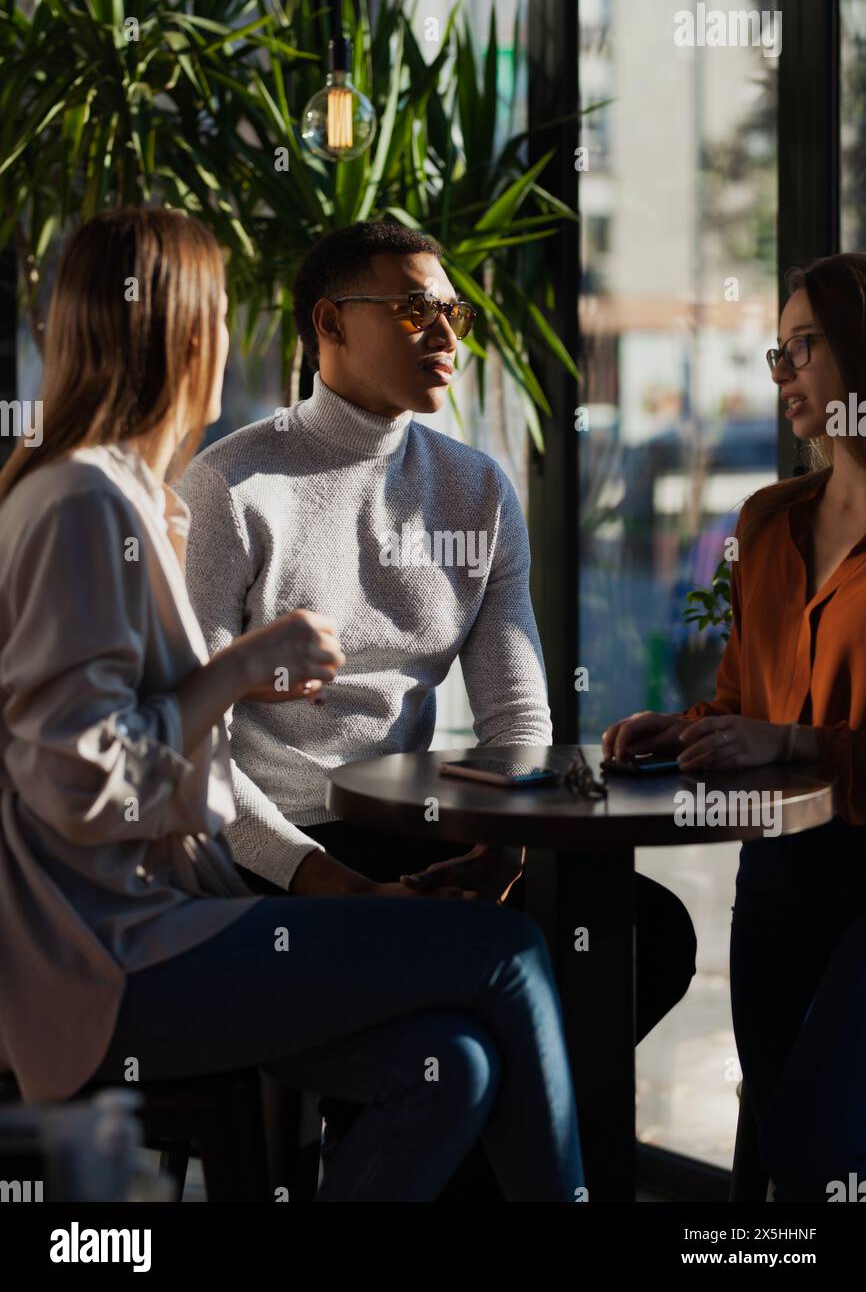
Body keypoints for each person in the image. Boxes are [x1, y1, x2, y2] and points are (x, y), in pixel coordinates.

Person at [0, 206, 584, 1202]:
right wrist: (236, 674)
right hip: (115, 950)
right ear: (188, 331)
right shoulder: (93, 502)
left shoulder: (125, 497)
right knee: (509, 951)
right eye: (219, 312)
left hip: (171, 915)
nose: (443, 334)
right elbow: (79, 781)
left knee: (451, 1066)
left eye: (450, 313)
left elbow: (513, 692)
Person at [177, 219, 696, 1195]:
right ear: (329, 323)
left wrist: (504, 855)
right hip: (263, 857)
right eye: (413, 310)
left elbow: (514, 713)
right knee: (457, 1019)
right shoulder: (233, 485)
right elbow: (193, 749)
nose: (446, 334)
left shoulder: (473, 487)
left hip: (409, 834)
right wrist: (321, 878)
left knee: (645, 930)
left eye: (451, 311)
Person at [603, 251, 866, 1203]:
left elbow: (780, 734)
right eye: (778, 349)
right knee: (779, 1121)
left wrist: (790, 745)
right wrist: (684, 731)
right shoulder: (767, 521)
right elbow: (743, 705)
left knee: (818, 1134)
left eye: (808, 345)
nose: (784, 370)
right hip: (783, 871)